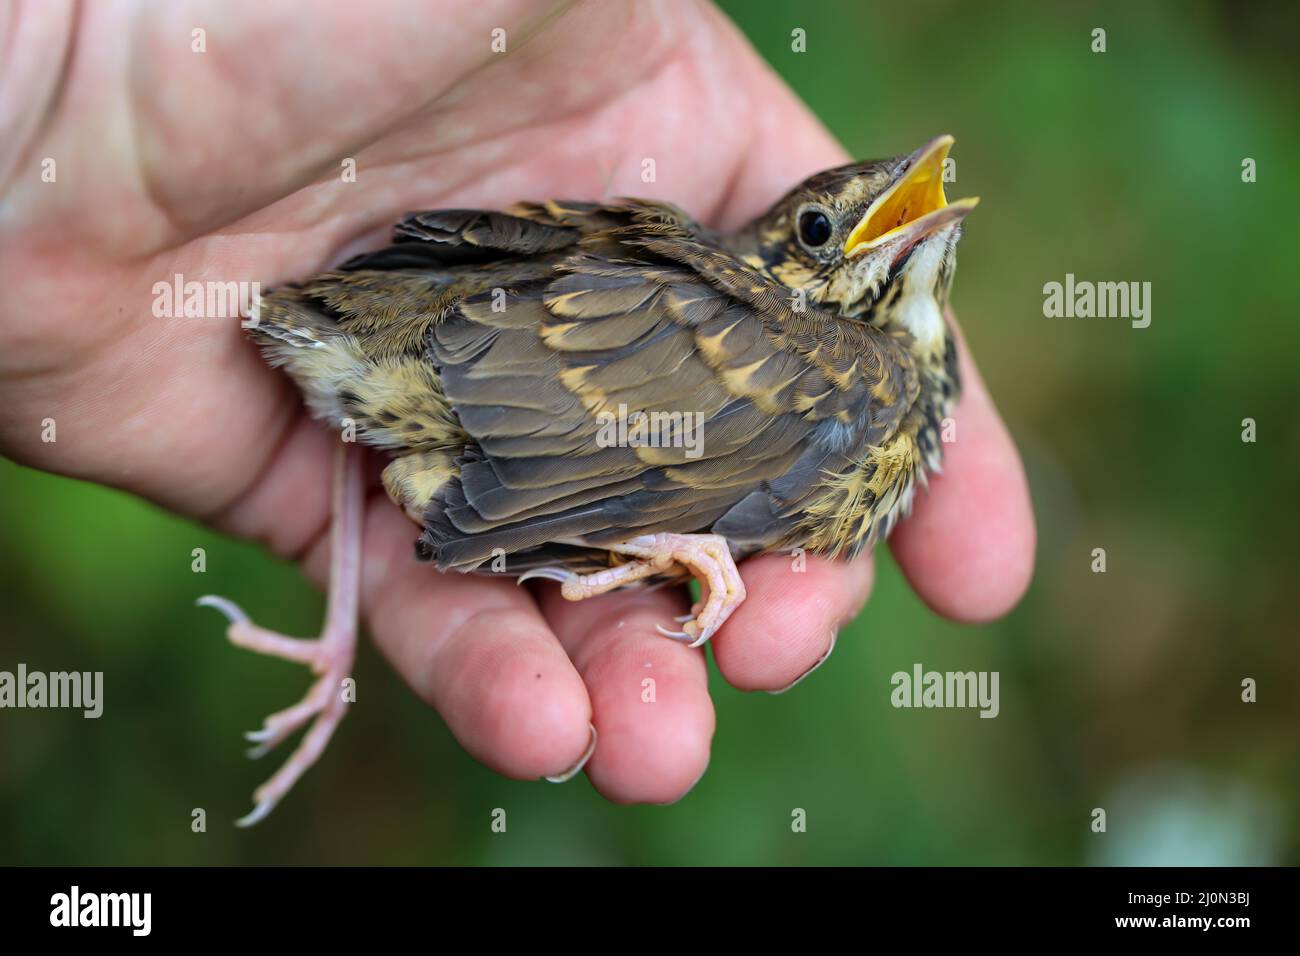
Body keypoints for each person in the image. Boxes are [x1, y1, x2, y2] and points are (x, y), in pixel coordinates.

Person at [0, 0, 1034, 806]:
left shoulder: (835, 351)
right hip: (453, 379)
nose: (858, 227)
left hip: (427, 362)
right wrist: (642, 536)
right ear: (772, 250)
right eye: (818, 229)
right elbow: (609, 454)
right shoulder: (858, 369)